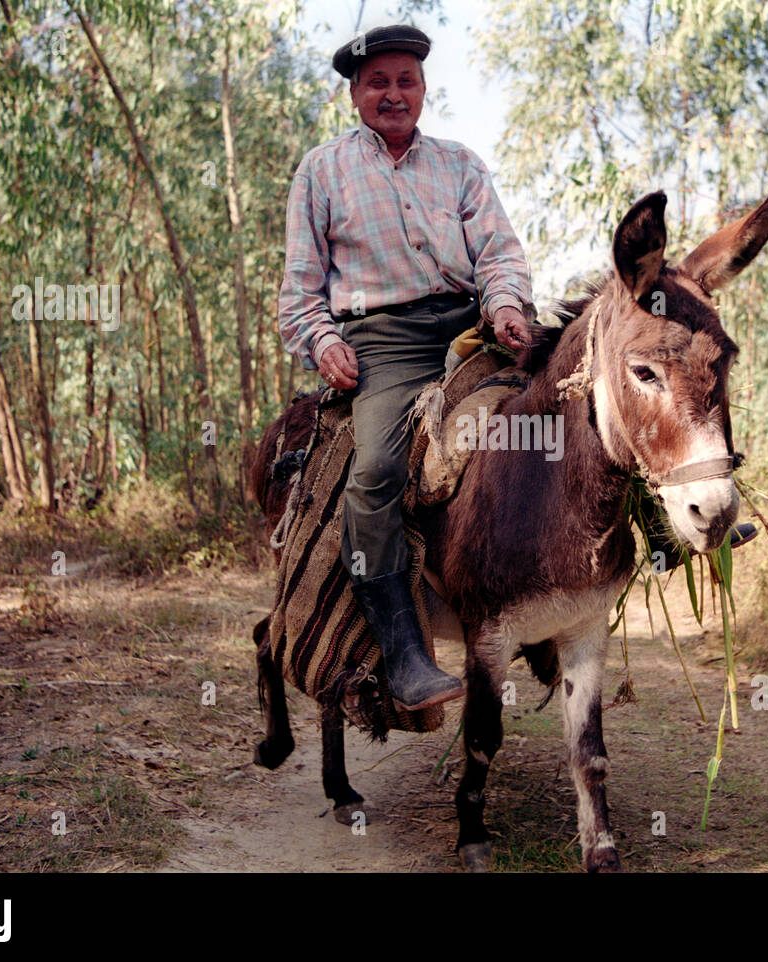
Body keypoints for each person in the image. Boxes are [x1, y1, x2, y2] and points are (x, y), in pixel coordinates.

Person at [277, 24, 536, 712]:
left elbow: (499, 254)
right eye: (379, 83)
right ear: (356, 94)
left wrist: (507, 303)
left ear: (423, 89)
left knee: (572, 391)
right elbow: (299, 294)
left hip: (470, 323)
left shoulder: (460, 164)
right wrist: (323, 342)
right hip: (384, 338)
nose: (394, 94)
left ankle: (671, 519)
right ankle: (404, 655)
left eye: (407, 81)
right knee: (374, 476)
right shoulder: (322, 170)